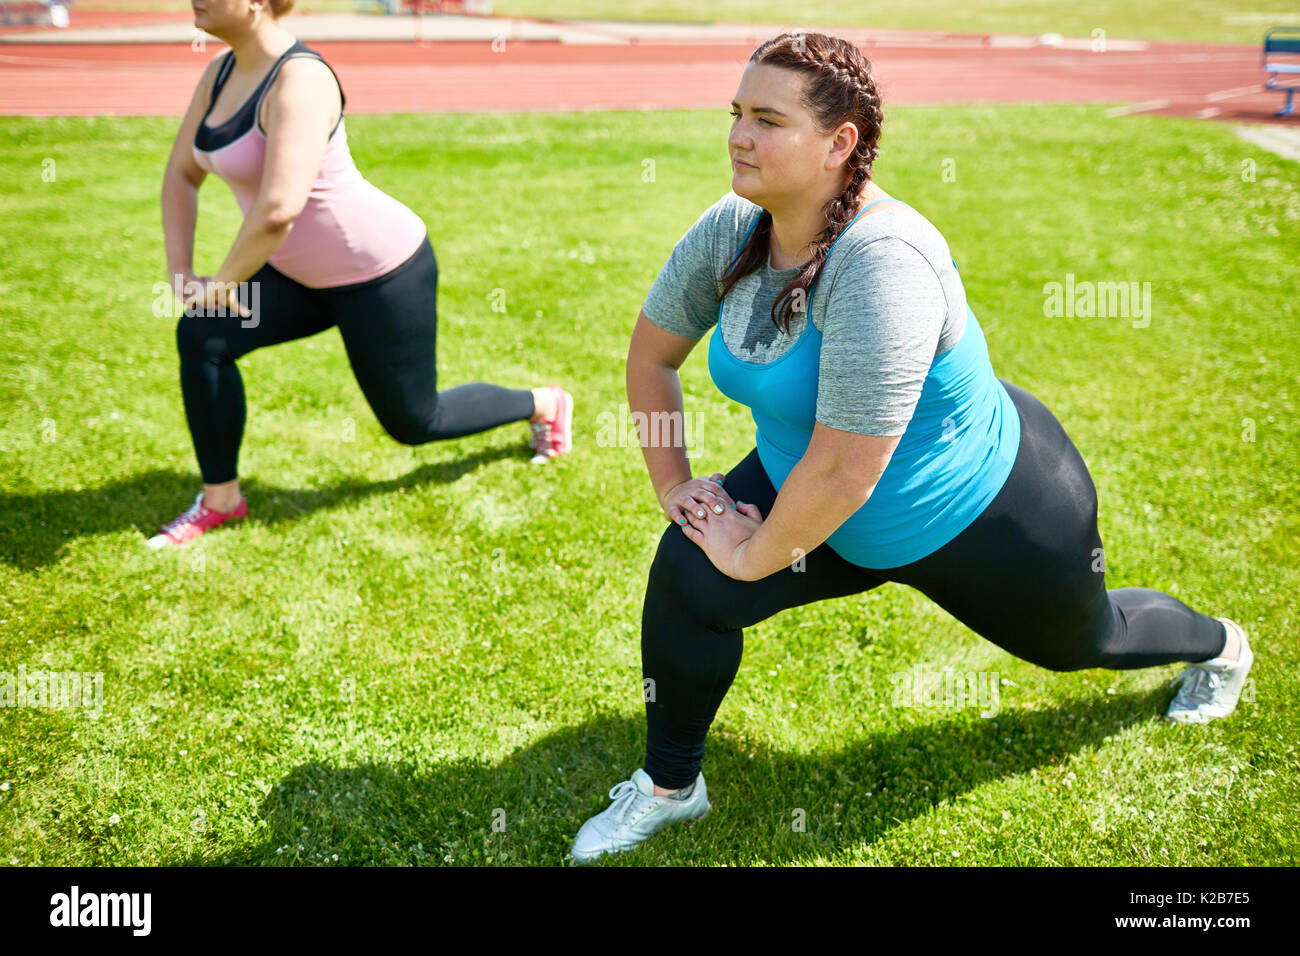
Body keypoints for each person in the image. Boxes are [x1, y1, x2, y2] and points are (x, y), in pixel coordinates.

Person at [569, 32, 1254, 863]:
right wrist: (675, 487)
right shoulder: (731, 230)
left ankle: (1220, 644)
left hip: (984, 510)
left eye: (768, 119)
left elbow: (850, 468)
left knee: (1088, 641)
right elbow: (652, 356)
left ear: (839, 142)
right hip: (823, 500)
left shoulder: (883, 260)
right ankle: (672, 787)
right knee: (687, 571)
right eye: (737, 113)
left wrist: (753, 556)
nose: (739, 136)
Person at [151, 0, 572, 548]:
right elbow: (182, 173)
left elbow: (279, 208)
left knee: (415, 423)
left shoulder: (300, 81)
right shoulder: (220, 72)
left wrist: (223, 283)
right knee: (202, 335)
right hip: (295, 276)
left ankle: (544, 403)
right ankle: (221, 500)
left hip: (379, 272)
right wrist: (181, 271)